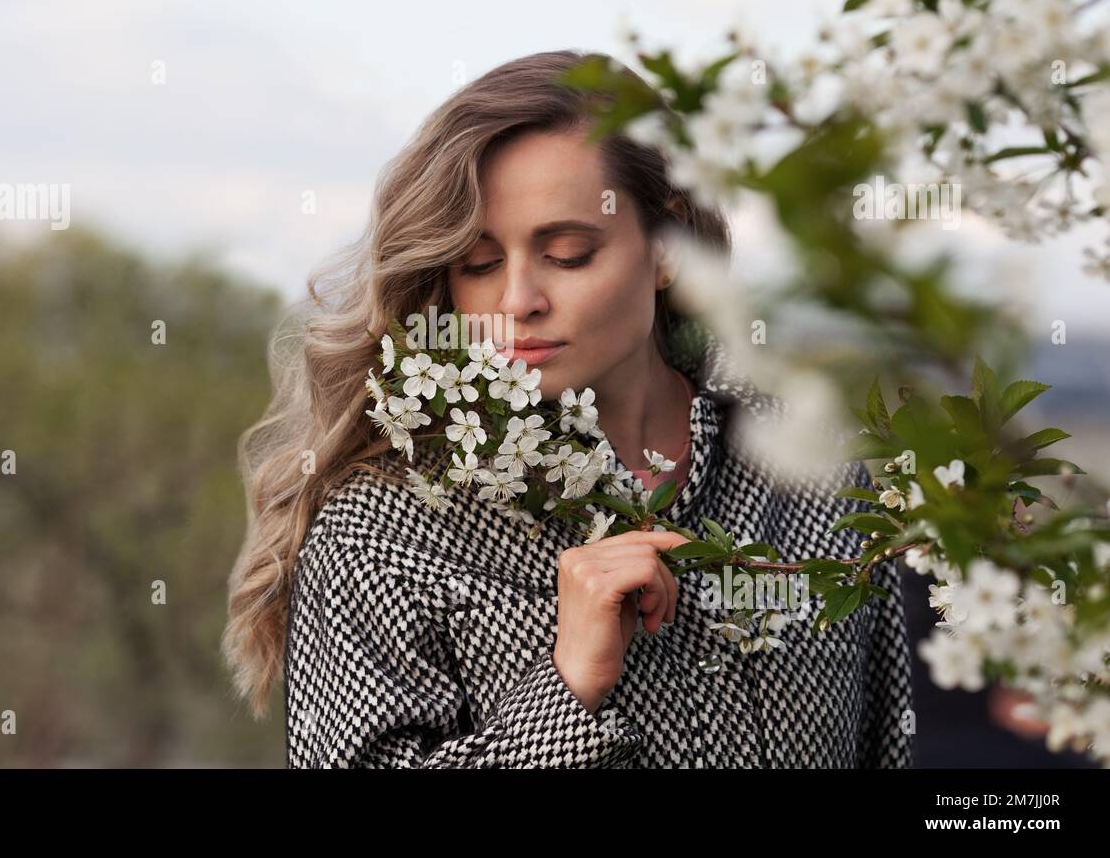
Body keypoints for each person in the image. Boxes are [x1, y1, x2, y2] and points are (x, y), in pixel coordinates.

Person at [221, 49, 915, 768]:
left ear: (667, 246)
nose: (519, 301)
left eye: (569, 253)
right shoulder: (381, 534)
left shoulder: (810, 462)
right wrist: (564, 690)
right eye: (480, 265)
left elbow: (890, 746)